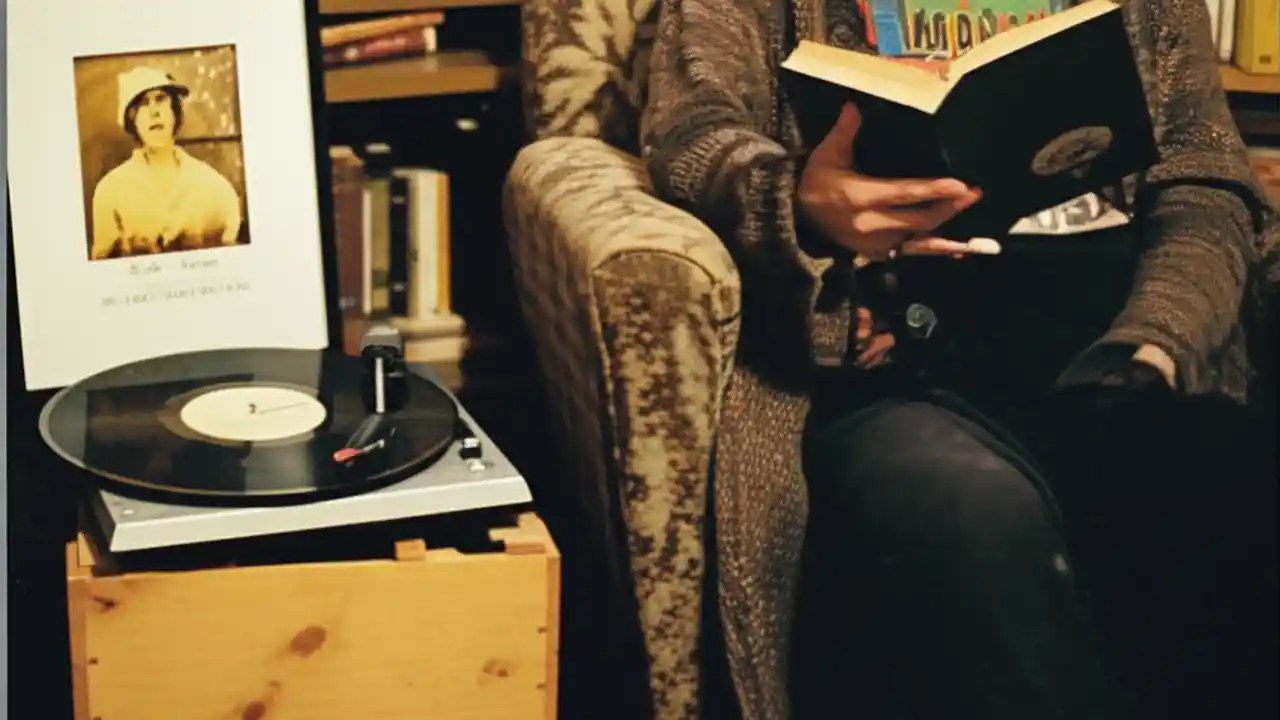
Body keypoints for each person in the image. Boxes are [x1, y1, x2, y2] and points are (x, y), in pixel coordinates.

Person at [641, 0, 1277, 718]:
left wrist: (1157, 342)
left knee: (1226, 484)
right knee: (956, 512)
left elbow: (1205, 174)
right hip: (890, 358)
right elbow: (693, 133)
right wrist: (797, 200)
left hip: (1116, 341)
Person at [90, 66, 243, 260]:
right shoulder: (110, 190)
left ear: (174, 111)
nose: (154, 111)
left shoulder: (214, 185)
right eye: (143, 104)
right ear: (132, 119)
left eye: (161, 99)